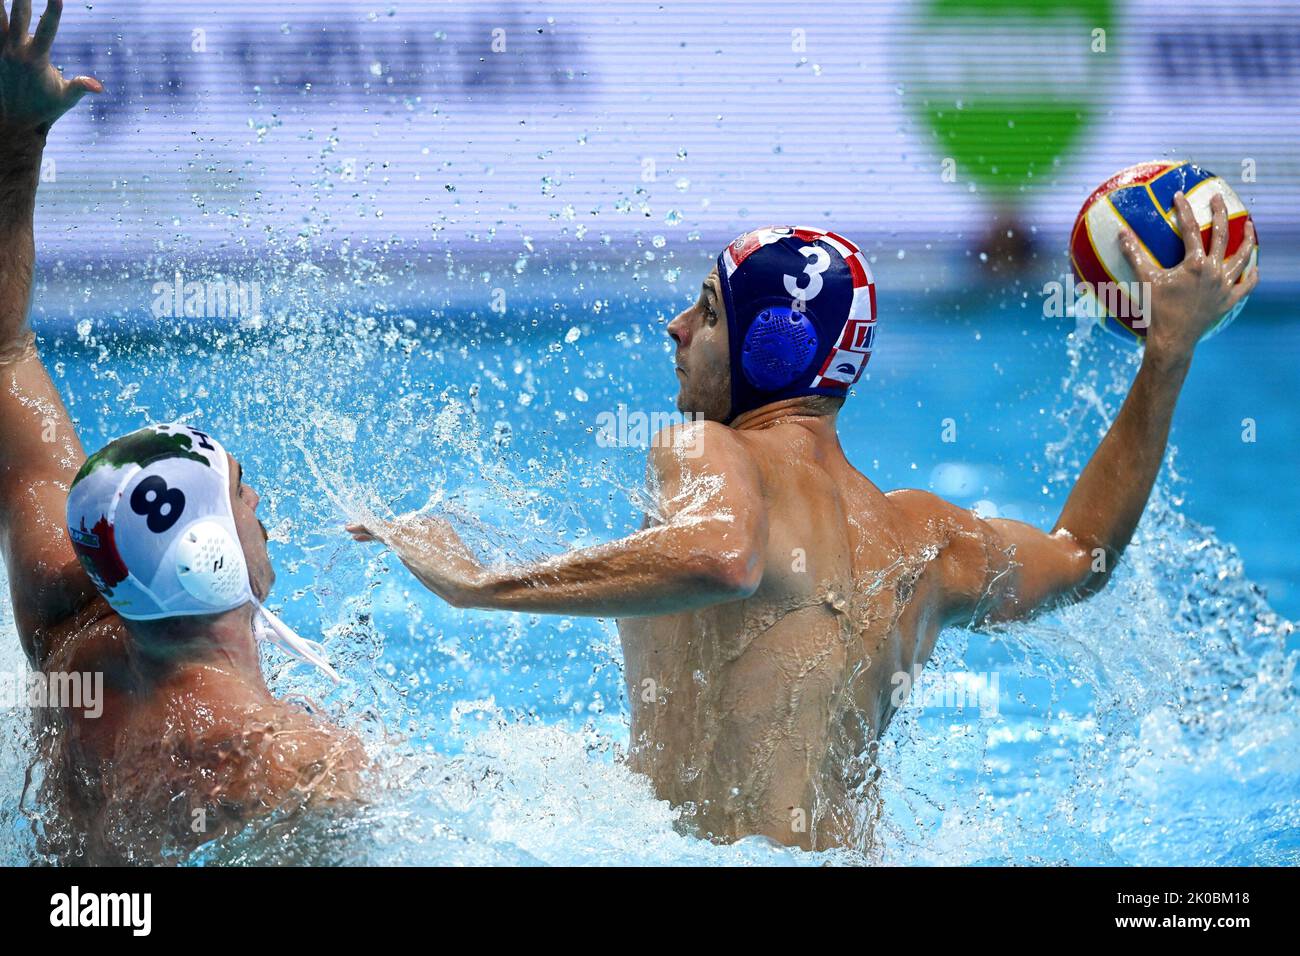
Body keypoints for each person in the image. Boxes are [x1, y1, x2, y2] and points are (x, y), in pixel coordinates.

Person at [350, 211, 1257, 848]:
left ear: (766, 346)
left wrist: (479, 584)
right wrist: (1166, 357)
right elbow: (1081, 558)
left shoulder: (705, 448)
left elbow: (721, 556)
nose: (676, 327)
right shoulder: (924, 535)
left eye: (707, 309)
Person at [0, 0, 364, 863]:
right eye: (240, 492)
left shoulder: (68, 623)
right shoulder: (300, 765)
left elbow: (4, 353)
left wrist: (17, 143)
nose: (261, 503)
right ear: (206, 552)